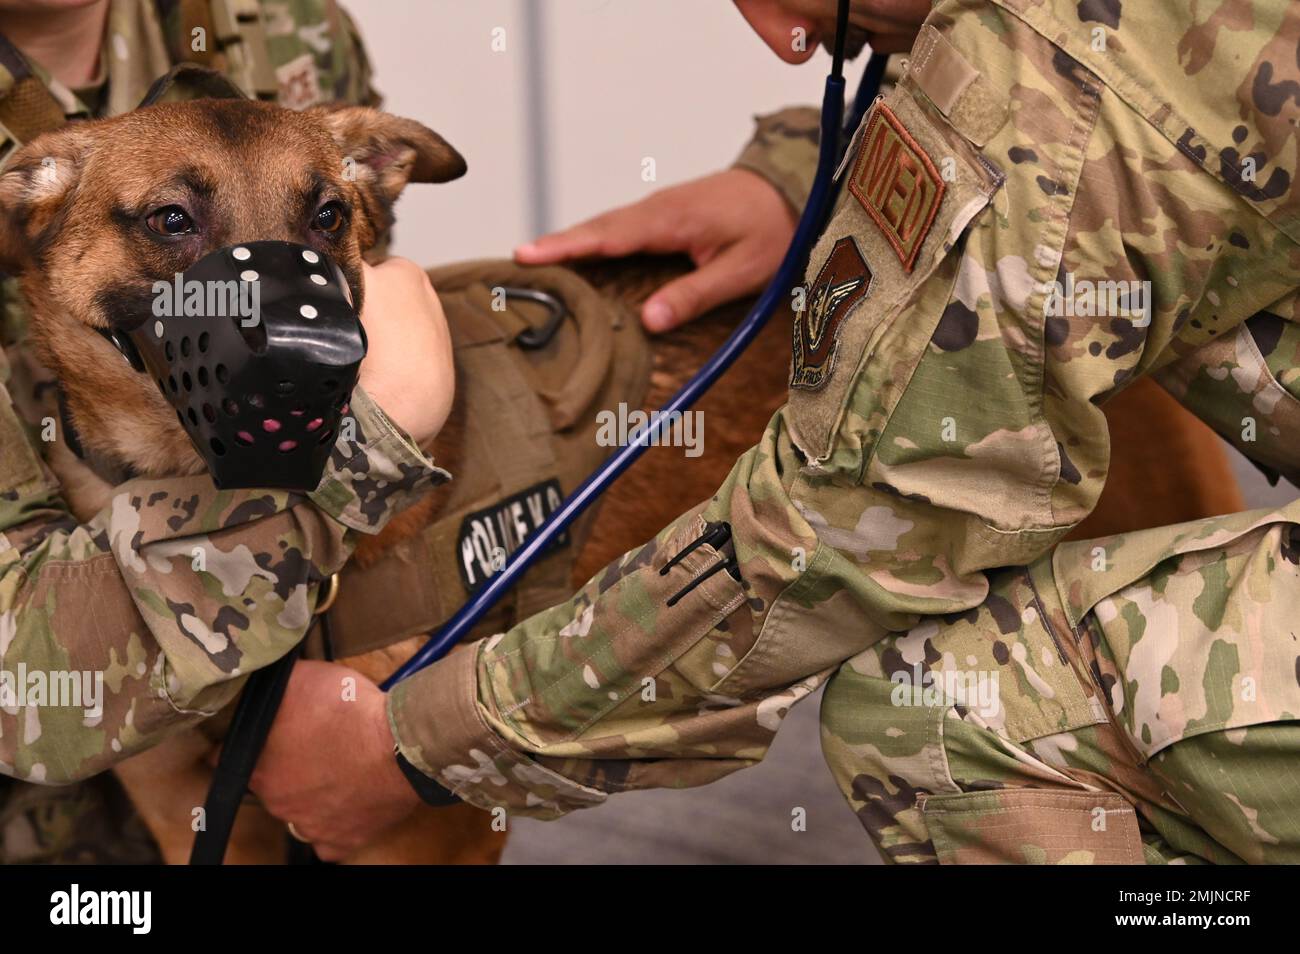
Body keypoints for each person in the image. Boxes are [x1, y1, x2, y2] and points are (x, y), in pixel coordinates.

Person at [253, 0, 1300, 865]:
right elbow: (1151, 114)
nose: (782, 38)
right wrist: (812, 174)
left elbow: (845, 537)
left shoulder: (1044, 80)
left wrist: (415, 747)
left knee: (938, 710)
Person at [0, 0, 454, 861]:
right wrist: (372, 442)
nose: (267, 308)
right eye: (174, 221)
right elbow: (22, 691)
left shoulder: (285, 20)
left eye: (321, 222)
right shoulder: (54, 187)